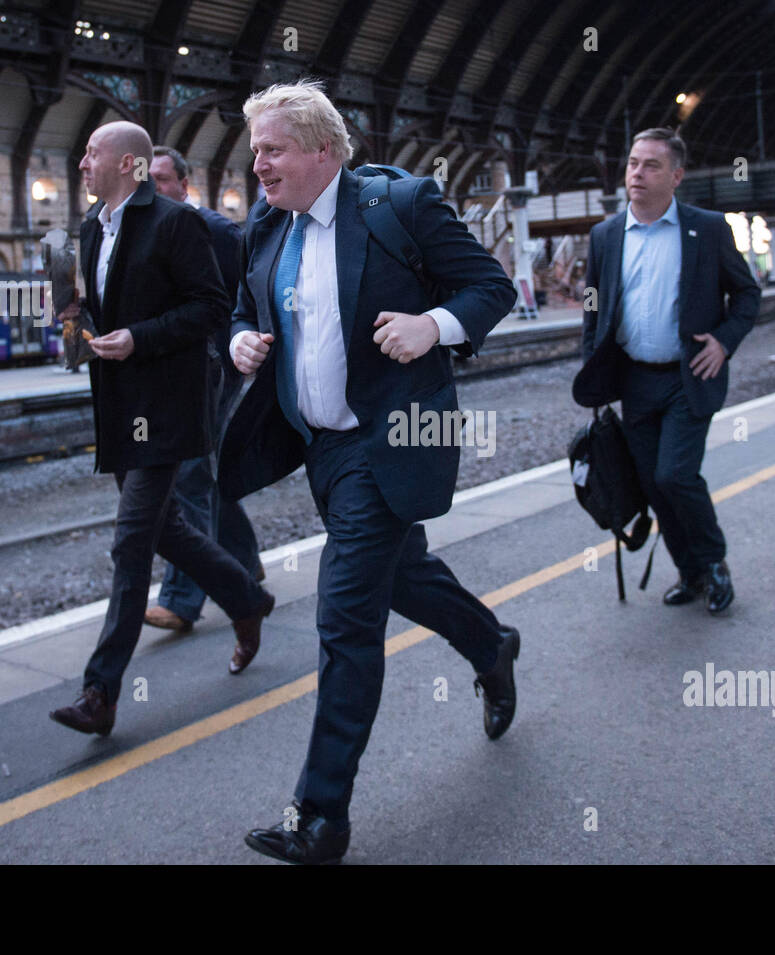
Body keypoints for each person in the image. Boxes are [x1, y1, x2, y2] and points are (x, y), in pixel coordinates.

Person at [222, 79, 520, 864]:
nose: (260, 164)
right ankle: (492, 645)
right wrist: (242, 342)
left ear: (323, 150)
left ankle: (321, 816)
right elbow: (244, 307)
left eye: (273, 148)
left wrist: (433, 325)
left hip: (392, 436)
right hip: (322, 448)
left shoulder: (402, 205)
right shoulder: (266, 226)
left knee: (345, 616)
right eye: (256, 150)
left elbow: (492, 288)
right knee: (400, 578)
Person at [48, 121, 275, 737]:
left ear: (128, 165)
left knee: (130, 541)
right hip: (120, 403)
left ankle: (101, 692)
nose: (83, 163)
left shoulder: (176, 224)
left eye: (92, 153)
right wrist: (78, 316)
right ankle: (247, 598)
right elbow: (108, 307)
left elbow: (209, 308)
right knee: (167, 528)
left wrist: (139, 338)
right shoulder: (93, 226)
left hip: (168, 407)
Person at [573, 127, 760, 616]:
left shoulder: (708, 229)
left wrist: (724, 341)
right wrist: (593, 373)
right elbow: (594, 309)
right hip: (634, 380)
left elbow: (747, 295)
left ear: (676, 176)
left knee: (676, 475)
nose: (637, 173)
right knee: (654, 485)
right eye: (633, 163)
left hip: (687, 375)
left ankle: (714, 563)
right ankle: (691, 573)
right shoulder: (606, 235)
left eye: (651, 165)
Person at [144, 145, 266, 672]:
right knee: (203, 474)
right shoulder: (141, 232)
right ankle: (244, 565)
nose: (150, 189)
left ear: (183, 185)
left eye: (159, 179)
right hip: (173, 371)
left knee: (189, 471)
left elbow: (250, 287)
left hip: (215, 365)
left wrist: (244, 345)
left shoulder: (215, 230)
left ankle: (181, 598)